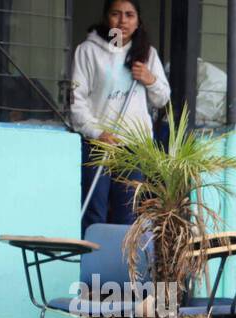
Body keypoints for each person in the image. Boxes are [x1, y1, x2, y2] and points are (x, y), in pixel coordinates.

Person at [70, 0, 169, 235]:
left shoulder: (147, 54)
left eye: (129, 15)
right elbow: (77, 99)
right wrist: (97, 132)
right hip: (99, 144)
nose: (122, 21)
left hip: (133, 147)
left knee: (127, 215)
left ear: (138, 21)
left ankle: (120, 270)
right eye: (116, 14)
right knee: (95, 211)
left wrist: (149, 79)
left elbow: (162, 98)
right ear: (106, 18)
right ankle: (94, 272)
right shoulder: (88, 51)